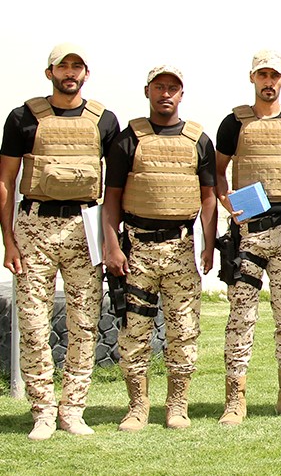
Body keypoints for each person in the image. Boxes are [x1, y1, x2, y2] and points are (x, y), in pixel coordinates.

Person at [0, 43, 120, 439]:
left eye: (77, 66)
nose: (70, 72)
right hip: (34, 227)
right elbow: (5, 182)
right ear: (49, 72)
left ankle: (72, 410)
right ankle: (42, 412)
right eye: (62, 66)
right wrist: (9, 241)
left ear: (86, 73)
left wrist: (109, 238)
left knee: (84, 322)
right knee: (33, 323)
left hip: (84, 228)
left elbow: (115, 186)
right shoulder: (22, 118)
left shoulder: (105, 121)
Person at [103, 65, 217, 431]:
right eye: (159, 87)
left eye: (173, 88)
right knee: (134, 331)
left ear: (181, 95)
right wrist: (111, 245)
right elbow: (112, 199)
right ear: (147, 91)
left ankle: (177, 405)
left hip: (181, 247)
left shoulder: (199, 139)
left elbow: (209, 197)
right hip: (136, 248)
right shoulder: (128, 139)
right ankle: (137, 406)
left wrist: (208, 245)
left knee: (183, 330)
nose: (165, 94)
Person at [213, 49, 281, 425]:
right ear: (253, 78)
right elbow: (217, 173)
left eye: (275, 76)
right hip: (249, 233)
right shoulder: (234, 123)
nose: (269, 82)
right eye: (263, 75)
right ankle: (235, 400)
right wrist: (230, 206)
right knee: (241, 317)